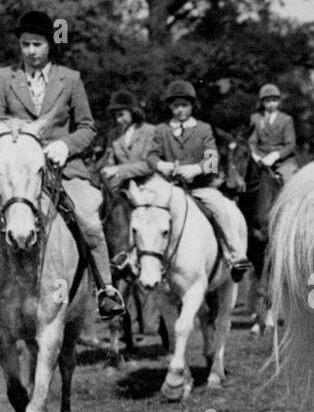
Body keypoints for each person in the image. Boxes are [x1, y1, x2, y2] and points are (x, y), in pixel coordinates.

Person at [0, 10, 125, 319]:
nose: (31, 51)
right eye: (25, 45)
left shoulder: (70, 79)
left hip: (62, 167)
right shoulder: (4, 77)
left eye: (37, 44)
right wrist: (13, 134)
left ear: (50, 44)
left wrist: (66, 144)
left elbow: (88, 127)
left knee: (88, 217)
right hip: (15, 167)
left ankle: (106, 289)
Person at [147, 79, 253, 279]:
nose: (180, 110)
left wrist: (196, 169)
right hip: (170, 187)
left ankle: (235, 253)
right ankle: (138, 259)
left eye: (184, 105)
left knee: (220, 208)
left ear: (192, 106)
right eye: (176, 106)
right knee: (146, 211)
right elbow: (152, 155)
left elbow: (212, 158)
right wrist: (162, 165)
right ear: (170, 106)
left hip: (199, 186)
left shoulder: (203, 129)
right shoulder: (161, 130)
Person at [96, 89, 156, 192]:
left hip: (148, 186)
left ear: (132, 112)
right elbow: (110, 162)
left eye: (121, 114)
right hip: (122, 188)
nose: (118, 120)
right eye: (115, 116)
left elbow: (150, 165)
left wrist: (119, 170)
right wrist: (106, 170)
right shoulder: (113, 134)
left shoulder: (150, 131)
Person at [248, 83, 298, 183]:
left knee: (290, 182)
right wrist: (255, 155)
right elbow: (252, 141)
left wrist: (275, 155)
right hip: (261, 160)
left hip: (283, 161)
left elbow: (290, 144)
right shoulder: (255, 118)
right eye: (267, 101)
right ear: (262, 102)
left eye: (274, 101)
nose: (271, 104)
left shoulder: (286, 119)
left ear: (279, 101)